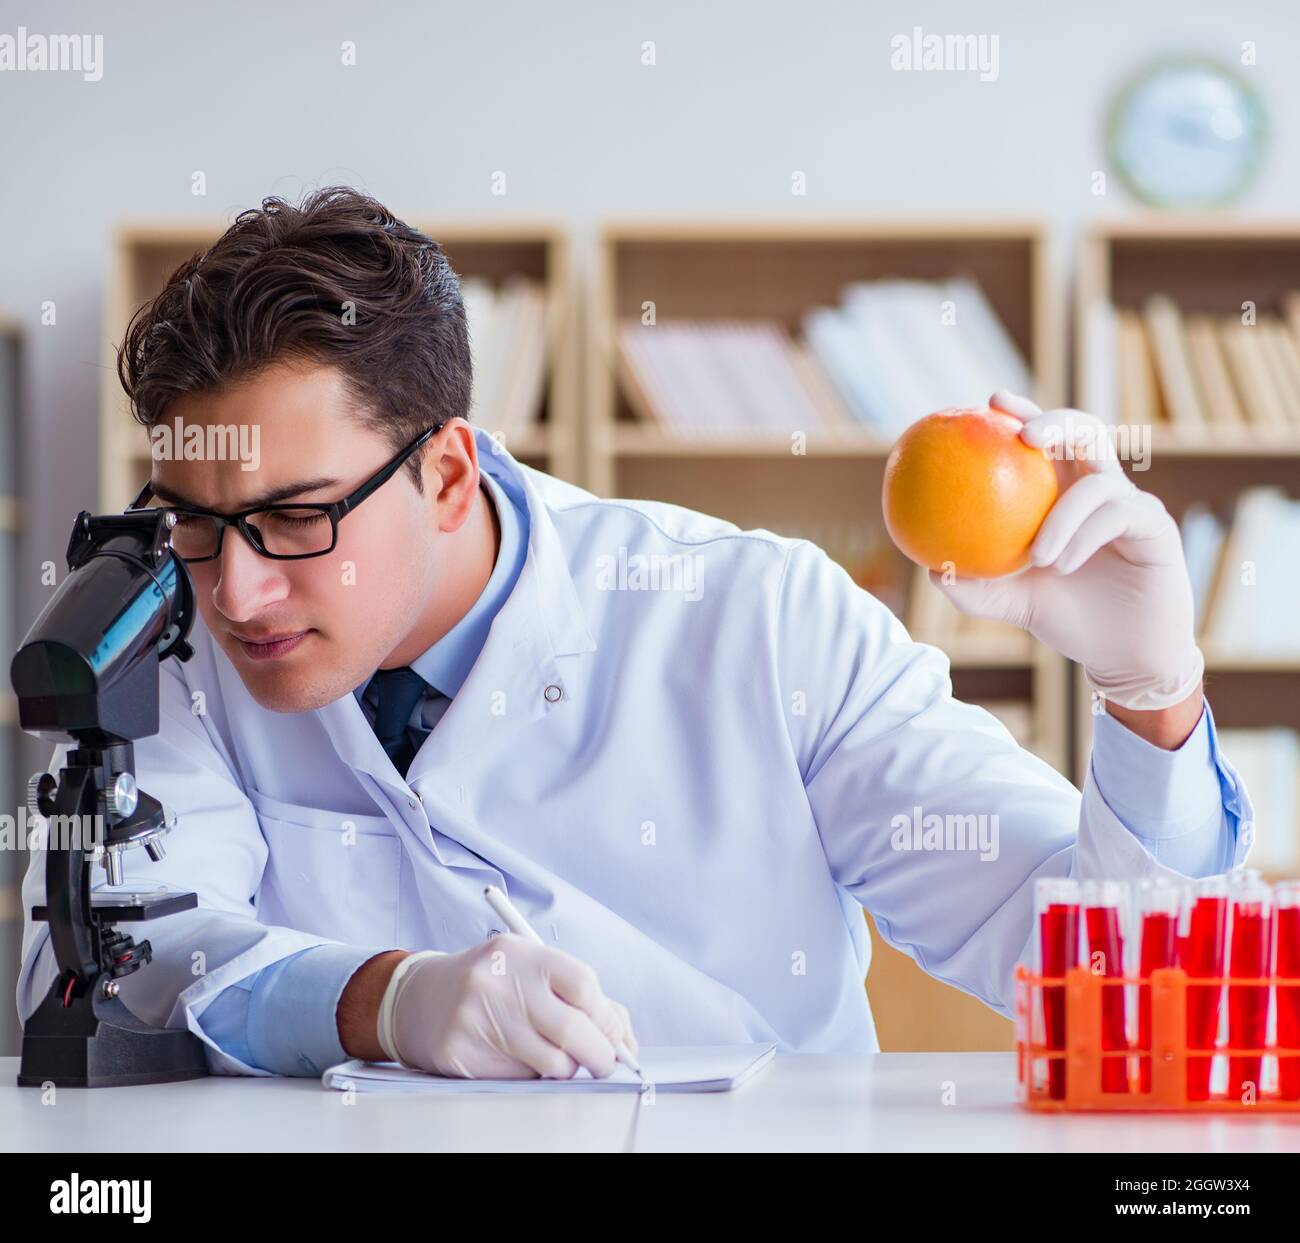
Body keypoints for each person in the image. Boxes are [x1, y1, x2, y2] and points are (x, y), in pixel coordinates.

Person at [17, 188, 1251, 1079]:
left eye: (292, 518)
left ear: (447, 474)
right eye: (192, 520)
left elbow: (1129, 999)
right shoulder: (170, 636)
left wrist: (1152, 695)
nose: (234, 592)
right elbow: (92, 976)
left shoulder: (763, 619)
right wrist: (375, 999)